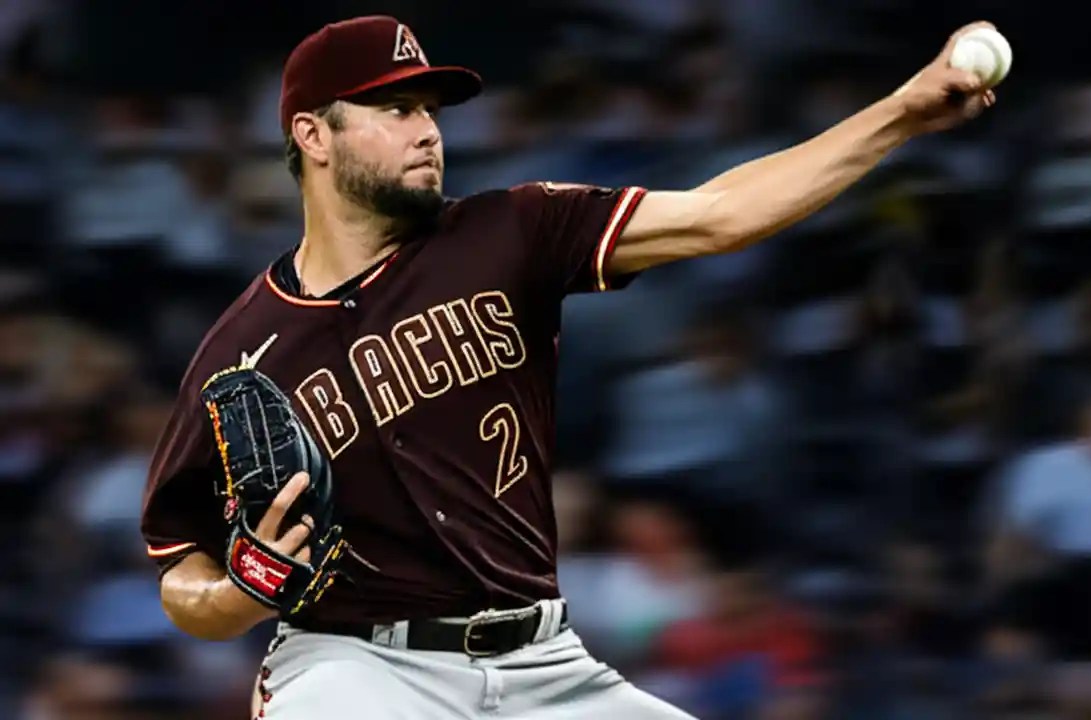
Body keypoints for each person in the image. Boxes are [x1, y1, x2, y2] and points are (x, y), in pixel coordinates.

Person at [140, 14, 997, 719]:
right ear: (311, 135)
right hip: (358, 669)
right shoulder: (241, 350)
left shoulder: (511, 232)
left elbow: (720, 214)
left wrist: (901, 113)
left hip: (543, 664)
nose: (428, 130)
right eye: (394, 109)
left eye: (430, 109)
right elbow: (182, 569)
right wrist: (239, 593)